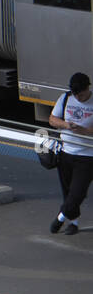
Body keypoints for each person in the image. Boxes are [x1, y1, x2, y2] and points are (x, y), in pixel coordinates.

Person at [49, 72, 93, 235]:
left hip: (88, 156)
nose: (78, 98)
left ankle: (60, 218)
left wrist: (83, 130)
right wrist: (66, 125)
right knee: (68, 192)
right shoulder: (65, 98)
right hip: (66, 152)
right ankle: (73, 223)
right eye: (76, 95)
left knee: (78, 192)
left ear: (88, 88)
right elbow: (52, 120)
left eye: (81, 95)